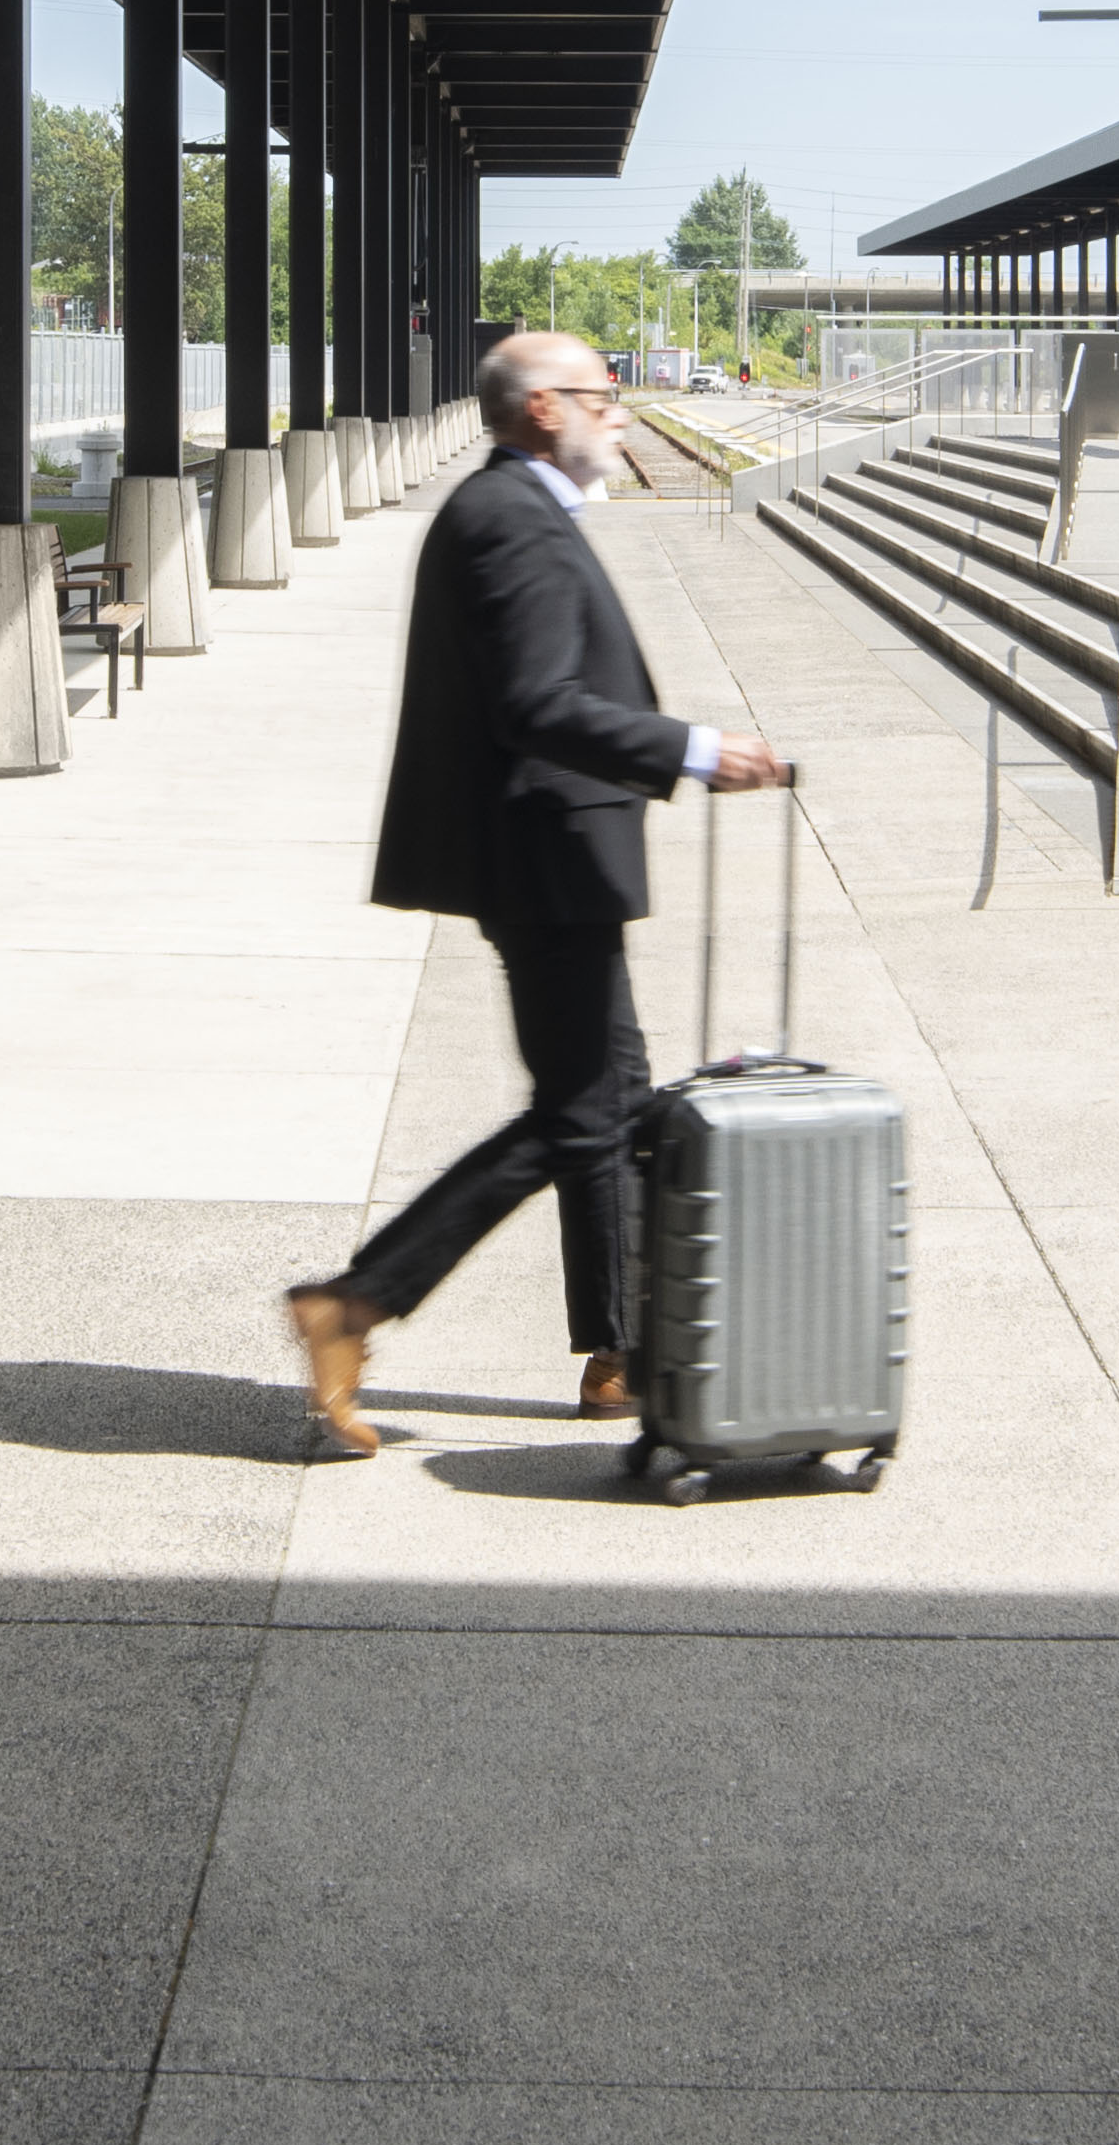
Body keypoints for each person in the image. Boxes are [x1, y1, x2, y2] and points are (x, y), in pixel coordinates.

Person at [284, 325, 792, 1459]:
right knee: (584, 1112)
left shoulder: (521, 507)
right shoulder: (507, 515)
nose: (619, 410)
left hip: (556, 848)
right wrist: (700, 748)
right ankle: (357, 1299)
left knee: (606, 1092)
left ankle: (618, 1351)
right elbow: (537, 701)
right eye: (602, 394)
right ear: (543, 408)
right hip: (542, 851)